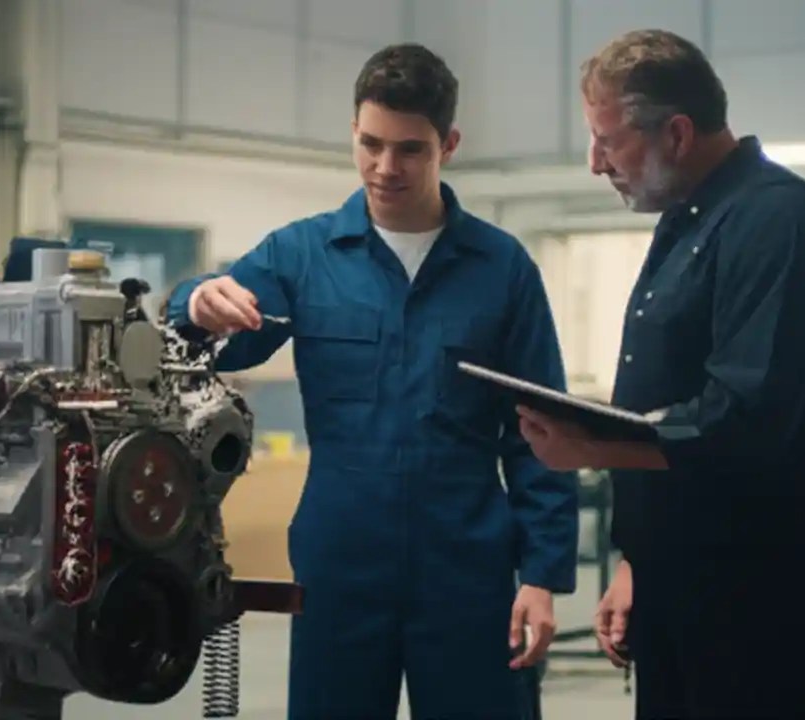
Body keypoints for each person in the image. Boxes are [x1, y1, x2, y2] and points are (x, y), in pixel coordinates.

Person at [163, 43, 578, 719]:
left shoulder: (502, 269)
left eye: (410, 149)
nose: (385, 168)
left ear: (450, 143)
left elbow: (541, 435)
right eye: (370, 143)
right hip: (341, 563)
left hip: (469, 567)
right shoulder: (303, 255)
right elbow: (214, 338)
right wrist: (199, 303)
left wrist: (542, 574)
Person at [516, 29, 805, 719]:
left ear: (675, 134)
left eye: (606, 141)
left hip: (759, 588)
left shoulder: (778, 223)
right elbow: (667, 395)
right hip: (680, 574)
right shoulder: (688, 225)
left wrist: (593, 445)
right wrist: (637, 560)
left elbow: (747, 416)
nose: (594, 163)